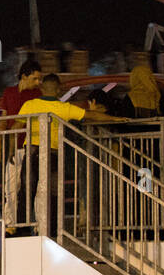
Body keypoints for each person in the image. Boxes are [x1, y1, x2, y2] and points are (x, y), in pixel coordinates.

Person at [19, 74, 125, 229]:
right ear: (58, 90)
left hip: (32, 151)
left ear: (42, 88)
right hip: (53, 153)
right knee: (52, 191)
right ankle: (52, 227)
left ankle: (22, 225)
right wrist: (116, 119)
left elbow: (17, 123)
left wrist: (10, 150)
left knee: (27, 189)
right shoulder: (64, 108)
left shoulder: (29, 105)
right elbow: (91, 115)